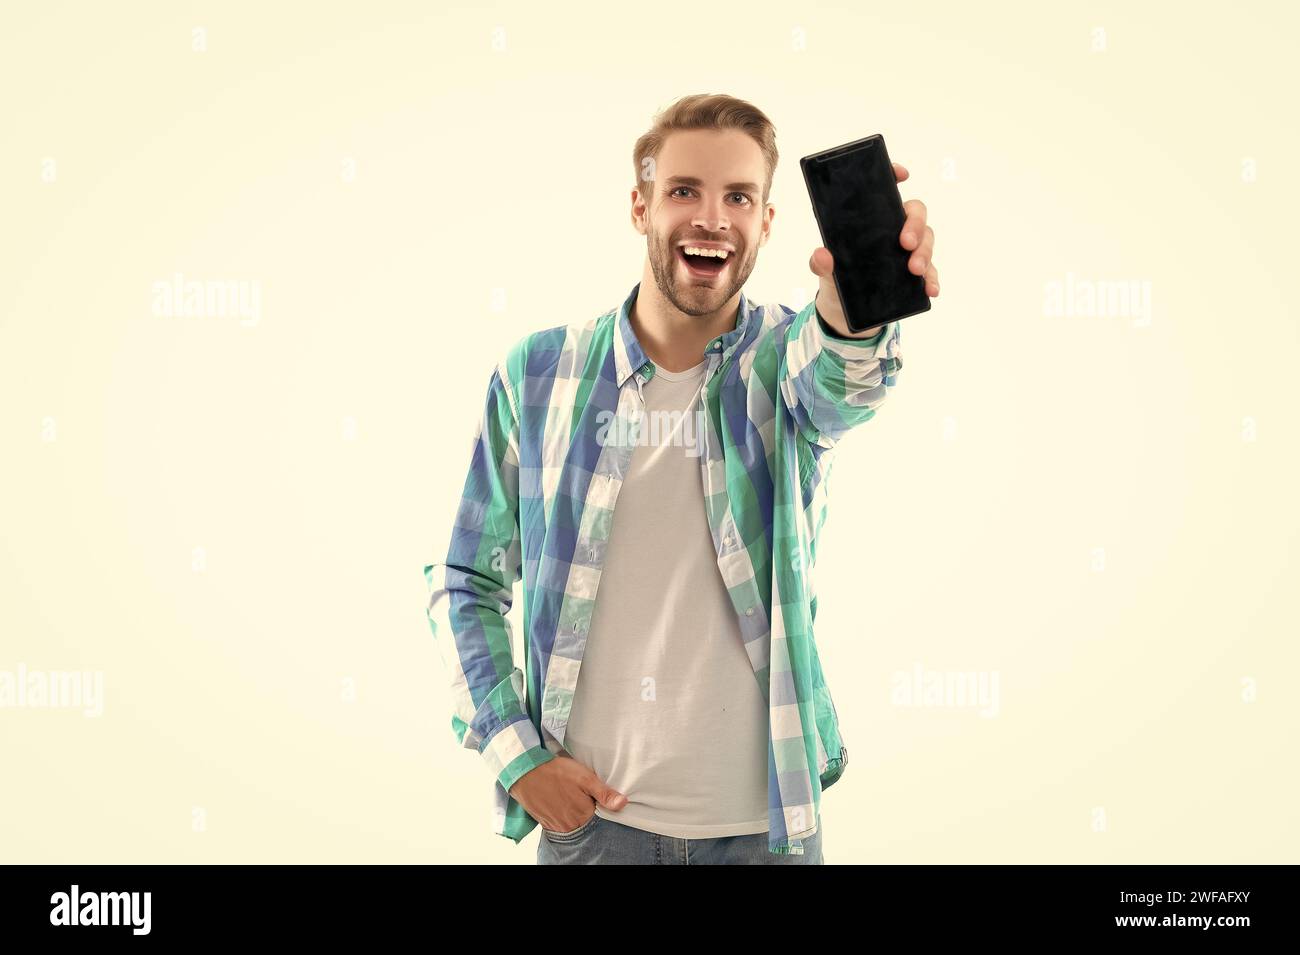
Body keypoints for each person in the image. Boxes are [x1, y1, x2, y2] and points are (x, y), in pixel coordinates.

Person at [424, 92, 939, 864]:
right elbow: (466, 578)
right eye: (684, 191)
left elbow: (842, 382)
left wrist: (853, 315)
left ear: (767, 223)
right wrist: (519, 758)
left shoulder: (784, 357)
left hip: (765, 833)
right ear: (640, 207)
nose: (711, 217)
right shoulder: (538, 374)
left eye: (739, 196)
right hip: (596, 831)